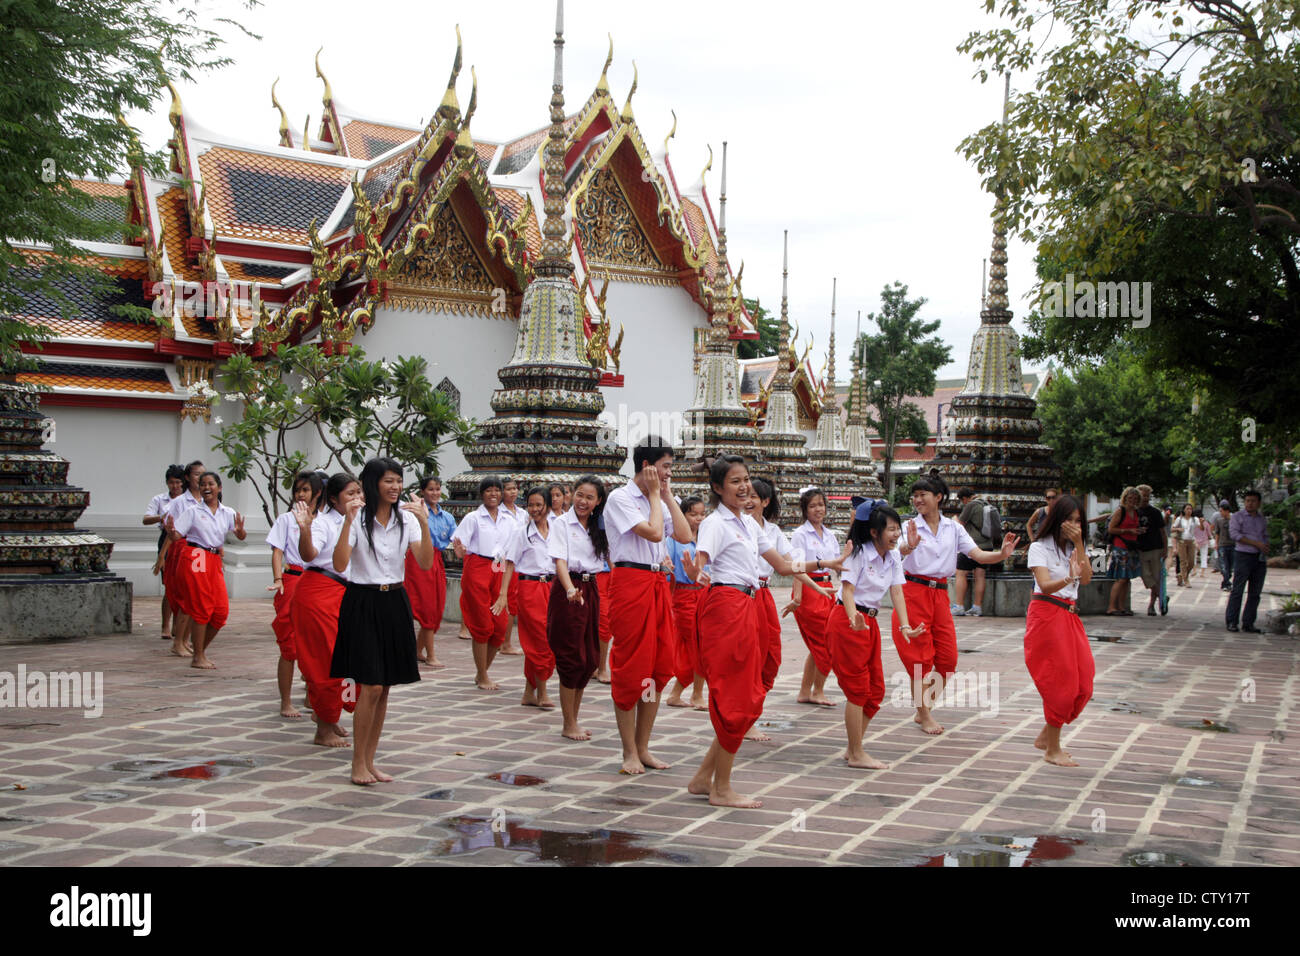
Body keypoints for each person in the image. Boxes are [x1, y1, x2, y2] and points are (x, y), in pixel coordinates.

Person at [679, 456, 823, 808]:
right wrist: (693, 569)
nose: (744, 486)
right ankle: (721, 788)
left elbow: (782, 566)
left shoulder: (748, 524)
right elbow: (700, 563)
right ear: (717, 488)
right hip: (726, 606)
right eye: (734, 481)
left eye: (746, 479)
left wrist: (825, 566)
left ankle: (703, 778)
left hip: (749, 604)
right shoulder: (715, 523)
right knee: (734, 694)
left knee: (750, 690)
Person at [330, 458, 435, 786]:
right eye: (389, 481)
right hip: (362, 601)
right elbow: (339, 562)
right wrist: (348, 522)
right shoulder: (358, 518)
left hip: (395, 601)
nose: (395, 487)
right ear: (374, 483)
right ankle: (356, 763)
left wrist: (425, 522)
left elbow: (425, 562)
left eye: (399, 481)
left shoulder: (408, 520)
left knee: (385, 687)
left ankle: (370, 760)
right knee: (370, 684)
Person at [894, 473, 1018, 735]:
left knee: (948, 660)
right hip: (913, 592)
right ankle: (924, 713)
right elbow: (897, 552)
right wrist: (909, 547)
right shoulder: (910, 527)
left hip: (940, 594)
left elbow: (977, 555)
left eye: (922, 495)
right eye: (914, 496)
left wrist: (1001, 555)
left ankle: (924, 705)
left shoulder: (954, 528)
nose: (917, 500)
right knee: (920, 659)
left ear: (938, 497)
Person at [603, 437, 693, 775]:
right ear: (647, 466)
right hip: (630, 582)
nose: (670, 473)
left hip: (658, 584)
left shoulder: (662, 497)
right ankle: (628, 750)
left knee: (658, 667)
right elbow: (654, 534)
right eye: (666, 467)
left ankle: (643, 747)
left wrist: (667, 496)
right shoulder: (620, 498)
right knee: (631, 666)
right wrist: (656, 496)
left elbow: (683, 536)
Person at [827, 499, 923, 770]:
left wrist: (905, 626)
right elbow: (846, 591)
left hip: (869, 622)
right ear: (873, 532)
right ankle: (856, 753)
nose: (896, 534)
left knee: (876, 689)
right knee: (857, 690)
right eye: (890, 529)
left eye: (897, 528)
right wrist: (851, 619)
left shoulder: (892, 556)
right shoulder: (858, 554)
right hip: (848, 621)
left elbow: (896, 591)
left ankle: (853, 746)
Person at [292, 472, 362, 748]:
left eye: (359, 492)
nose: (357, 499)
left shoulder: (362, 521)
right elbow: (308, 555)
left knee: (347, 659)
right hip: (320, 593)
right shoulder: (322, 523)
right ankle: (323, 727)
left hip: (346, 594)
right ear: (333, 499)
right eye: (350, 494)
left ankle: (330, 717)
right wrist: (305, 529)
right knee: (325, 660)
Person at [1024, 494, 1094, 767]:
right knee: (1061, 682)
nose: (1073, 525)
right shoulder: (1039, 547)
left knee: (1084, 682)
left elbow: (1086, 579)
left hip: (1070, 614)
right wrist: (1068, 576)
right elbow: (1044, 583)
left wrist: (1079, 544)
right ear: (1057, 519)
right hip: (1046, 614)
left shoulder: (1076, 546)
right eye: (1068, 519)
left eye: (1078, 521)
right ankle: (1052, 748)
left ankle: (1046, 734)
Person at [547, 475, 609, 740]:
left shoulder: (600, 527)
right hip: (569, 588)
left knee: (589, 658)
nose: (583, 501)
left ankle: (575, 717)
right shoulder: (562, 523)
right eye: (580, 495)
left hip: (591, 588)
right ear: (572, 494)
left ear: (598, 502)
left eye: (590, 497)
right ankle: (568, 722)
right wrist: (570, 589)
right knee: (571, 656)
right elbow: (560, 560)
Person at [168, 471, 246, 670]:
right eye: (202, 484)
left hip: (213, 559)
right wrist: (170, 531)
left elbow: (240, 535)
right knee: (202, 606)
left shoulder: (227, 512)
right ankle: (199, 656)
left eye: (210, 484)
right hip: (196, 556)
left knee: (220, 612)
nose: (206, 487)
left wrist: (240, 532)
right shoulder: (193, 511)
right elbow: (177, 535)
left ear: (219, 488)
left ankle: (199, 648)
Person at [266, 471, 324, 717]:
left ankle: (313, 695)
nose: (301, 494)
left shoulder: (325, 521)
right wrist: (278, 578)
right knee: (289, 645)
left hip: (317, 583)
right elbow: (277, 551)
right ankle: (285, 701)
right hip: (291, 580)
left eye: (306, 490)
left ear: (317, 493)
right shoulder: (286, 520)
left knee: (316, 643)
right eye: (298, 490)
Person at [492, 487, 556, 710]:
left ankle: (529, 692)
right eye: (531, 505)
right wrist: (503, 595)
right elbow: (510, 563)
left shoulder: (558, 529)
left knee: (548, 639)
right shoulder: (522, 532)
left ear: (548, 506)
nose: (535, 509)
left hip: (553, 587)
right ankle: (543, 692)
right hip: (530, 588)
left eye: (539, 505)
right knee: (540, 640)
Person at [452, 476, 517, 690]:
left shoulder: (509, 518)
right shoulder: (473, 518)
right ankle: (482, 674)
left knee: (499, 627)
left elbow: (513, 547)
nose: (493, 494)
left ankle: (483, 672)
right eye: (489, 490)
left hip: (499, 566)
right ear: (482, 494)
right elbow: (459, 544)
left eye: (497, 490)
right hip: (478, 566)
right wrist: (459, 551)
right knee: (482, 624)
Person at [788, 487, 842, 706]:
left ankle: (805, 691)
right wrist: (798, 598)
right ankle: (818, 690)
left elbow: (838, 565)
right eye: (812, 506)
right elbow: (796, 567)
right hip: (809, 590)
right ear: (805, 509)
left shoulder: (830, 535)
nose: (818, 509)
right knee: (826, 644)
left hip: (827, 590)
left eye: (821, 505)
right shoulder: (801, 534)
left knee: (818, 645)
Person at [154, 459, 206, 658]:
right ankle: (178, 640)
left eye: (203, 475)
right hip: (182, 548)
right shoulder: (179, 502)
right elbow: (171, 531)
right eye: (196, 475)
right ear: (188, 477)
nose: (200, 479)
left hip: (201, 551)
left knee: (197, 596)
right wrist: (162, 556)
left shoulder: (206, 500)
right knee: (186, 594)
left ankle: (185, 639)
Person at [404, 476, 456, 667]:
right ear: (423, 492)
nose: (435, 493)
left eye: (437, 489)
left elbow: (456, 539)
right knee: (427, 608)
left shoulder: (447, 517)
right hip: (419, 558)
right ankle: (431, 654)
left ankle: (417, 650)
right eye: (431, 489)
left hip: (438, 561)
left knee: (437, 606)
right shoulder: (415, 513)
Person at [664, 496, 709, 710]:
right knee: (697, 646)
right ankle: (695, 693)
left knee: (701, 645)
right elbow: (668, 571)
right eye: (693, 514)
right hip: (684, 596)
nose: (699, 519)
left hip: (706, 595)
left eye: (702, 514)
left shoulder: (707, 538)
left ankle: (678, 693)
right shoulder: (674, 539)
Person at [144, 464, 186, 642]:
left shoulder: (188, 500)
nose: (175, 486)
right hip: (167, 537)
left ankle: (179, 624)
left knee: (182, 585)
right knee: (169, 585)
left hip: (184, 539)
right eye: (171, 483)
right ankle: (165, 625)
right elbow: (146, 519)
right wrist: (162, 517)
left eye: (178, 482)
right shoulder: (160, 500)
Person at [1226, 490, 1269, 633]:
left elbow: (1265, 535)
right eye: (1248, 501)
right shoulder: (1237, 517)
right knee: (1237, 590)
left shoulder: (1262, 519)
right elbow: (1235, 535)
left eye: (1253, 501)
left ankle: (1248, 622)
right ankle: (1232, 621)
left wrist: (1265, 546)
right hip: (1243, 555)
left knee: (1255, 592)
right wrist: (1256, 544)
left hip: (1259, 558)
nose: (1250, 504)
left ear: (1259, 503)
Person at [953, 487, 993, 616]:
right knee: (980, 575)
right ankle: (977, 606)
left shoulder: (971, 505)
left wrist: (954, 518)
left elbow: (960, 523)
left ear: (964, 498)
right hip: (987, 545)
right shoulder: (986, 503)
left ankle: (959, 606)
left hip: (973, 546)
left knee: (960, 573)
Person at [499, 478, 527, 659]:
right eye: (508, 489)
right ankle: (504, 642)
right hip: (501, 559)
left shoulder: (523, 513)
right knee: (504, 598)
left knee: (514, 601)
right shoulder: (498, 512)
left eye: (515, 489)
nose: (513, 492)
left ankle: (507, 640)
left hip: (520, 561)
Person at [1105, 487, 1142, 616]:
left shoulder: (1136, 512)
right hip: (1120, 547)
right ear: (1125, 498)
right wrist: (1127, 531)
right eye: (1130, 498)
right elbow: (1111, 529)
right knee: (1120, 578)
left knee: (1126, 578)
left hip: (1131, 547)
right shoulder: (1120, 511)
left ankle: (1121, 606)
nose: (1132, 501)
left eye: (1135, 499)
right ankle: (1111, 607)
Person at [1135, 485, 1168, 615]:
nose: (1146, 498)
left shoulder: (1155, 512)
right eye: (1143, 496)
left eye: (1148, 496)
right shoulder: (1133, 512)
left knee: (1156, 577)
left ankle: (1152, 605)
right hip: (1140, 549)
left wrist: (1165, 548)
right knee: (1146, 577)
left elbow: (1162, 532)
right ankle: (1162, 597)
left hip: (1155, 548)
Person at [1171, 503, 1200, 587]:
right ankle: (1186, 580)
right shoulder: (1179, 519)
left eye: (1190, 509)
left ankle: (1181, 574)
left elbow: (1201, 528)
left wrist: (1201, 523)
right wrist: (1178, 529)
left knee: (1191, 562)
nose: (1189, 510)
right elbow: (1172, 529)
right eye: (1187, 509)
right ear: (1184, 510)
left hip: (1191, 541)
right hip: (1182, 542)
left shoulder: (1195, 519)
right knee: (1183, 561)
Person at [1213, 499, 1235, 591]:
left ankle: (1225, 582)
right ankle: (1227, 583)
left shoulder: (1234, 520)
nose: (1220, 513)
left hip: (1233, 545)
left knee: (1230, 567)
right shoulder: (1219, 520)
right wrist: (1216, 543)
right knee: (1223, 566)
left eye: (1221, 511)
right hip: (1222, 545)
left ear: (1227, 510)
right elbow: (1217, 533)